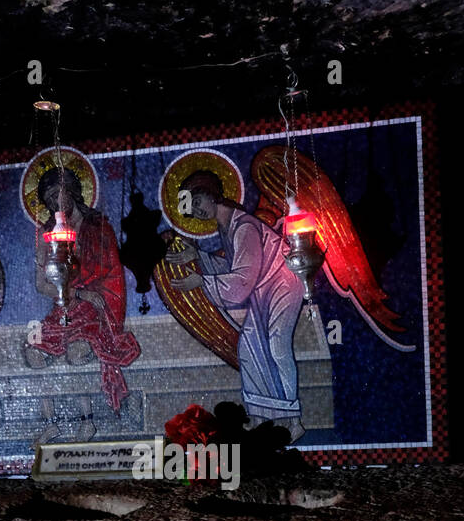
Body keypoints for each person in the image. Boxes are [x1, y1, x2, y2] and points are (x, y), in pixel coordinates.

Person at [166, 170, 305, 441]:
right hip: (263, 288)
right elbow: (236, 269)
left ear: (211, 193)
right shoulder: (227, 226)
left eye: (198, 202)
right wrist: (198, 256)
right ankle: (260, 416)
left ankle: (294, 421)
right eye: (191, 208)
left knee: (277, 346)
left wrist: (202, 281)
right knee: (248, 347)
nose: (197, 211)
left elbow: (241, 280)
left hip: (283, 282)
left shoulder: (244, 227)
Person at [26, 168, 140, 432]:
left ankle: (86, 421)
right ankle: (50, 424)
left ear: (73, 191)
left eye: (58, 193)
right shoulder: (46, 234)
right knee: (34, 352)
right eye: (49, 199)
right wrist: (76, 293)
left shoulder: (98, 227)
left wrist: (89, 295)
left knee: (76, 351)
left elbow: (112, 277)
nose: (55, 202)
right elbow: (42, 284)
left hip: (95, 310)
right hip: (65, 308)